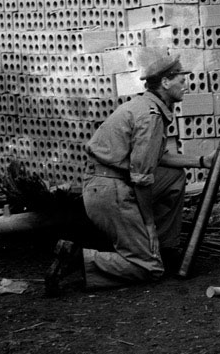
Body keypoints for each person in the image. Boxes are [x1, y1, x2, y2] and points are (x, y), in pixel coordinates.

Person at [45, 53, 210, 296]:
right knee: (149, 269)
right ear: (165, 82)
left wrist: (202, 161)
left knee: (174, 176)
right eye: (181, 80)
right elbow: (142, 178)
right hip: (110, 191)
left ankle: (162, 249)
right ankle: (78, 259)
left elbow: (158, 157)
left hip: (104, 184)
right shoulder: (150, 117)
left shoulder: (146, 106)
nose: (185, 84)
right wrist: (150, 224)